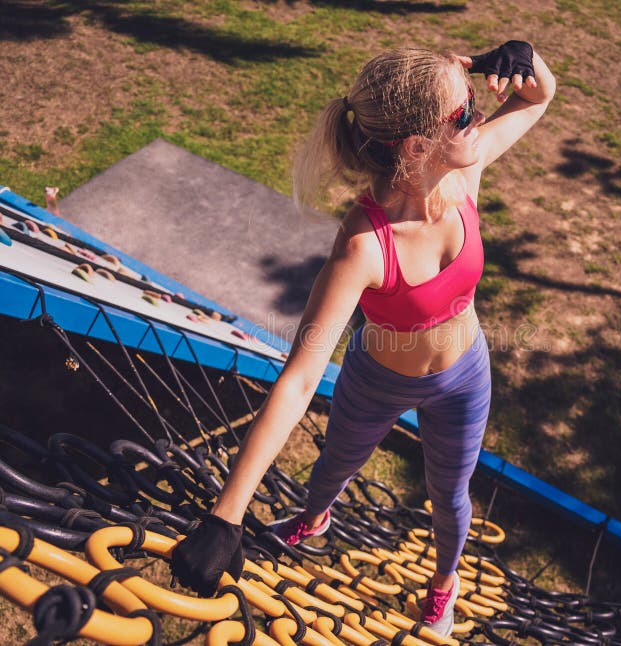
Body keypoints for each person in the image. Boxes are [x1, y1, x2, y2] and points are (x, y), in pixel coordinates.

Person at [170, 40, 556, 637]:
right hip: (377, 380)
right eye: (464, 112)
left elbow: (539, 96)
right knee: (333, 469)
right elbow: (300, 378)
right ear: (415, 146)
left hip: (462, 378)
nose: (478, 116)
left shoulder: (464, 169)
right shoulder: (363, 246)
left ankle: (443, 584)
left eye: (474, 103)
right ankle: (315, 517)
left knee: (450, 496)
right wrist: (226, 517)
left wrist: (498, 59)